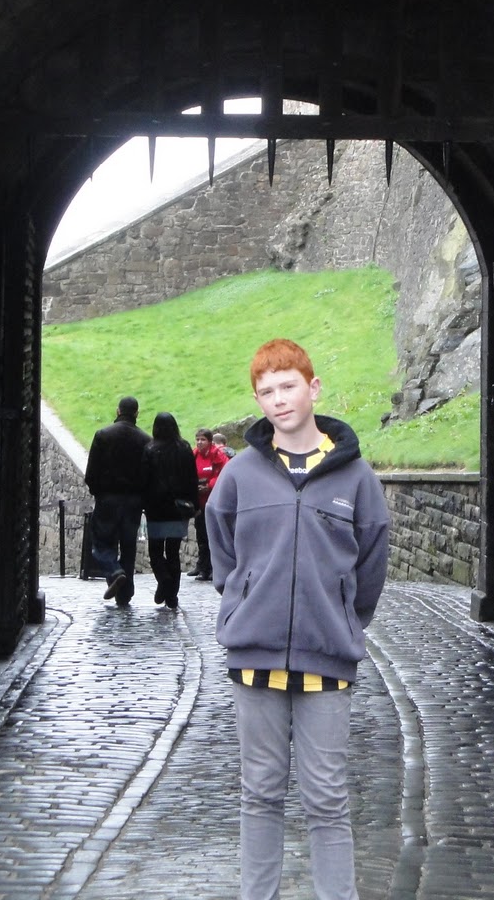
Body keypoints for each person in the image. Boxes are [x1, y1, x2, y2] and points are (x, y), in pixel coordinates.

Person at [206, 338, 390, 900]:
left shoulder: (356, 478)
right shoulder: (240, 475)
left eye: (288, 386)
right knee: (259, 792)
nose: (279, 400)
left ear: (313, 388)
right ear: (257, 402)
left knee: (327, 798)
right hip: (254, 657)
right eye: (266, 392)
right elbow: (222, 548)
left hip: (326, 659)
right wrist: (244, 600)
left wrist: (342, 616)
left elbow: (370, 563)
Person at [83, 395, 149, 605]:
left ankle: (114, 571)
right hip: (133, 501)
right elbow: (148, 475)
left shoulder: (103, 435)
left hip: (108, 499)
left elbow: (91, 471)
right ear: (136, 413)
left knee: (102, 543)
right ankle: (125, 594)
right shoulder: (145, 439)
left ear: (118, 411)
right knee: (129, 546)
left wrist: (98, 492)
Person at [142, 411, 199, 610]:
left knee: (155, 551)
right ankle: (172, 595)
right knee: (173, 552)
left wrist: (143, 503)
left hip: (156, 508)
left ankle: (164, 580)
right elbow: (192, 478)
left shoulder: (150, 449)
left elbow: (144, 480)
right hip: (179, 508)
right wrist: (195, 505)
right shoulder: (184, 448)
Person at [190, 427, 230, 581]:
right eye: (198, 439)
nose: (200, 442)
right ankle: (202, 566)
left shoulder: (218, 455)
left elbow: (223, 473)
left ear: (210, 441)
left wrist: (209, 485)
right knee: (201, 535)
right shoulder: (194, 455)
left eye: (203, 440)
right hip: (199, 503)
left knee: (214, 536)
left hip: (214, 501)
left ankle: (214, 567)